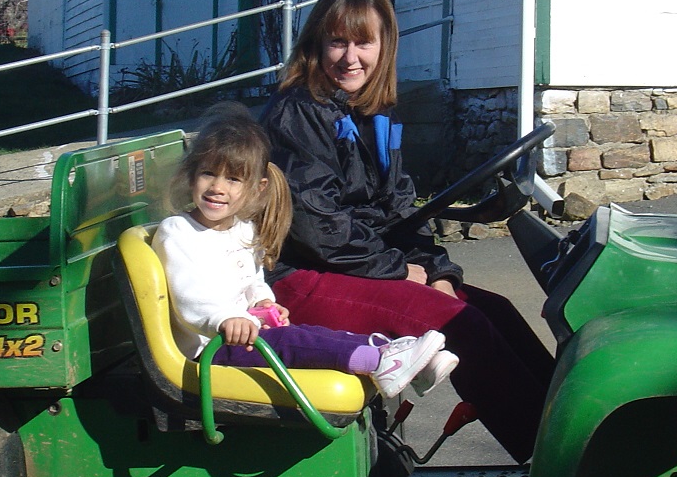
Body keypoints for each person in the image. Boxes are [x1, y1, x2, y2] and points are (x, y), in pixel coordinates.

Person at [261, 0, 557, 463]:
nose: (350, 57)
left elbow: (400, 209)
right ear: (317, 44)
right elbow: (318, 228)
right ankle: (555, 463)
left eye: (364, 41)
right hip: (298, 279)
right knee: (461, 327)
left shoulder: (368, 115)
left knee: (494, 309)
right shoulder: (299, 114)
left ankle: (569, 433)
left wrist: (437, 272)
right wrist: (401, 272)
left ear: (384, 45)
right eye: (338, 41)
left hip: (352, 268)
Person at [153, 103, 455, 400]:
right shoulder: (179, 231)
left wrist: (262, 301)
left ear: (256, 189)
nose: (217, 187)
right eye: (208, 174)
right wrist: (225, 318)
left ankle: (393, 358)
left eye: (232, 179)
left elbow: (252, 278)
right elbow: (188, 295)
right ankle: (379, 363)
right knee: (294, 341)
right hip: (211, 347)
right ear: (192, 176)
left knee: (317, 333)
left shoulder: (241, 228)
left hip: (242, 334)